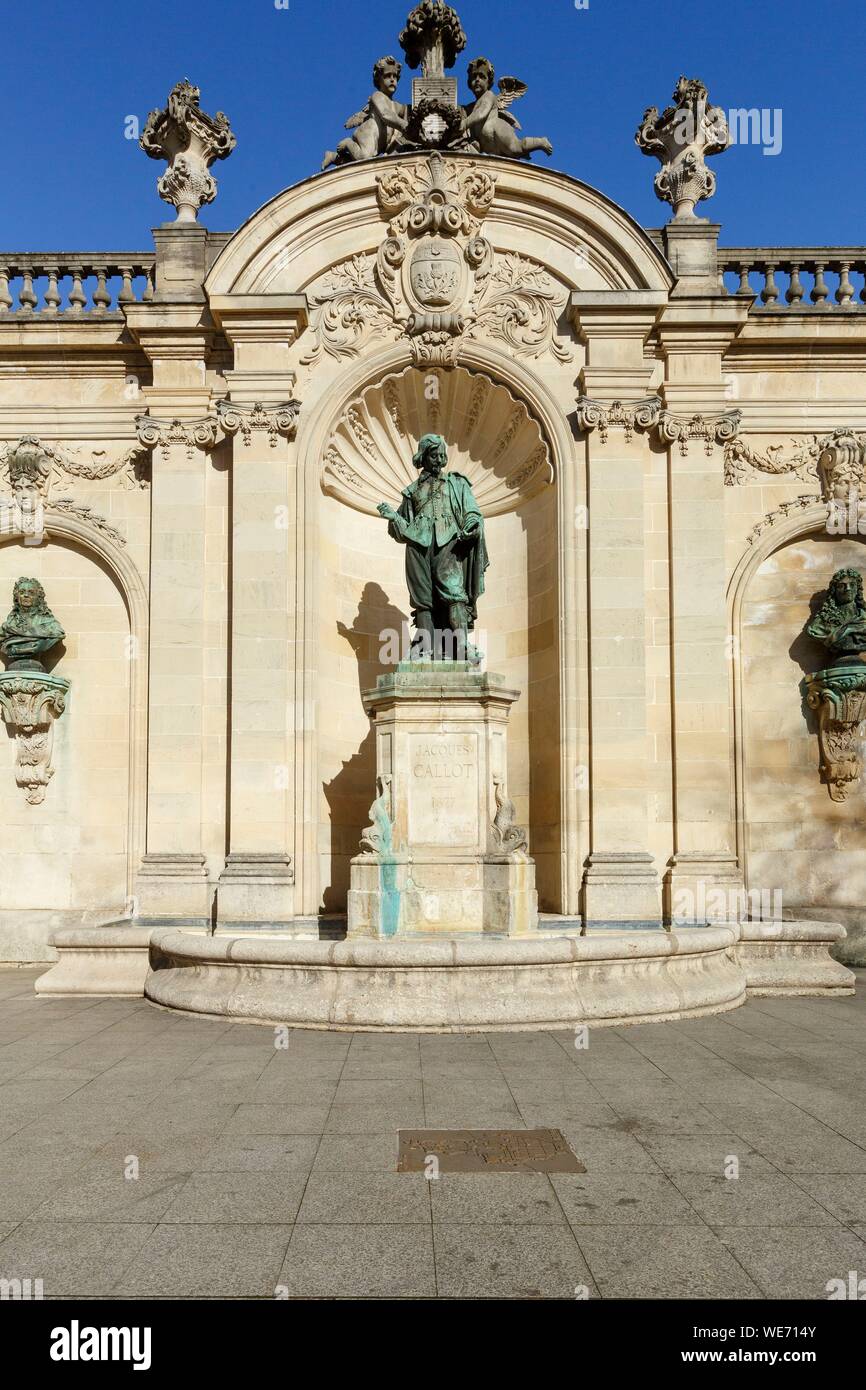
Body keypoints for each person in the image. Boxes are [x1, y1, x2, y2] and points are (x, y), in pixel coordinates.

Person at [377, 433, 488, 662]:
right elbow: (401, 531)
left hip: (449, 543)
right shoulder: (412, 492)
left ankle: (463, 646)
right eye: (434, 456)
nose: (439, 460)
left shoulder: (457, 483)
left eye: (441, 456)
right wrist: (392, 518)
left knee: (454, 592)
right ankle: (425, 649)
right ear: (424, 457)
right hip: (418, 548)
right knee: (422, 599)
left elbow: (473, 512)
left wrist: (471, 522)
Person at [322, 57, 409, 171]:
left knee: (362, 163)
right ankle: (348, 143)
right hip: (369, 133)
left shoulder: (397, 105)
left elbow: (409, 111)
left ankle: (334, 157)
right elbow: (385, 114)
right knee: (364, 158)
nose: (392, 80)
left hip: (381, 142)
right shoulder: (377, 96)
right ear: (379, 79)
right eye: (388, 76)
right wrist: (403, 124)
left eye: (395, 77)